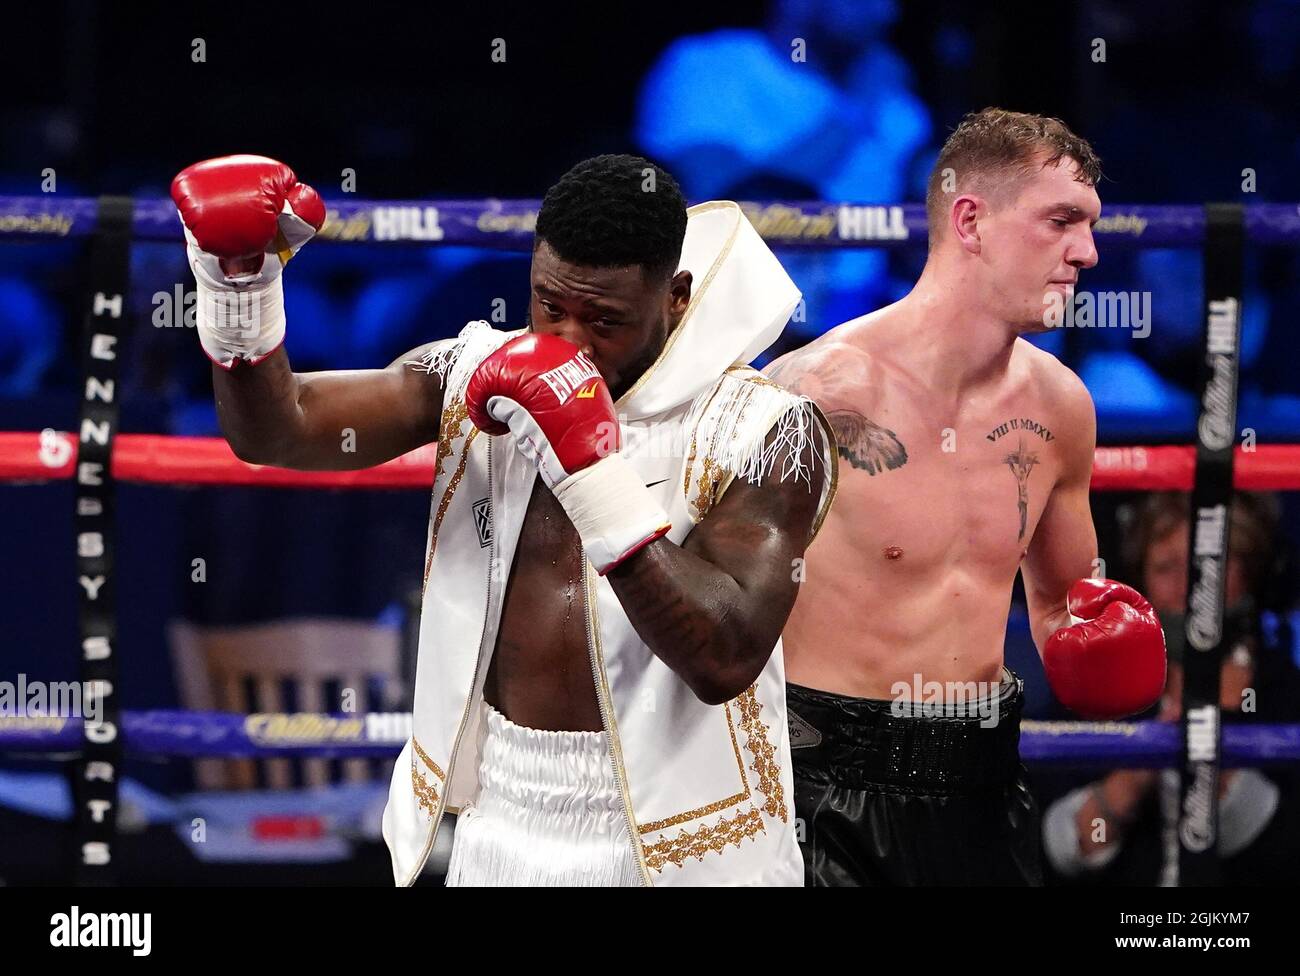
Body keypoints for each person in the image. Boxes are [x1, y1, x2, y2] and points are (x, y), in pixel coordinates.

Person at [171, 152, 835, 886]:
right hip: (502, 819)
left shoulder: (768, 429)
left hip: (693, 842)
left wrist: (588, 468)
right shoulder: (473, 375)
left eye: (605, 320)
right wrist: (240, 286)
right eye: (551, 306)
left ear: (675, 297)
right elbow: (277, 430)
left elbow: (723, 658)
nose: (570, 341)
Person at [764, 108, 1166, 886]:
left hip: (983, 783)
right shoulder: (813, 392)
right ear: (971, 220)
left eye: (1089, 226)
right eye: (1061, 222)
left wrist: (1097, 643)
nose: (1086, 252)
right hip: (824, 795)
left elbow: (1060, 602)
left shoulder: (1060, 407)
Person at [1043, 491, 1298, 885]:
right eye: (1166, 567)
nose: (1187, 586)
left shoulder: (1283, 690)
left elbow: (1285, 852)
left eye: (1208, 566)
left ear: (1249, 570)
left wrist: (1214, 762)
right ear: (1140, 576)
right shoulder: (1099, 684)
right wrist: (1141, 765)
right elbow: (1053, 849)